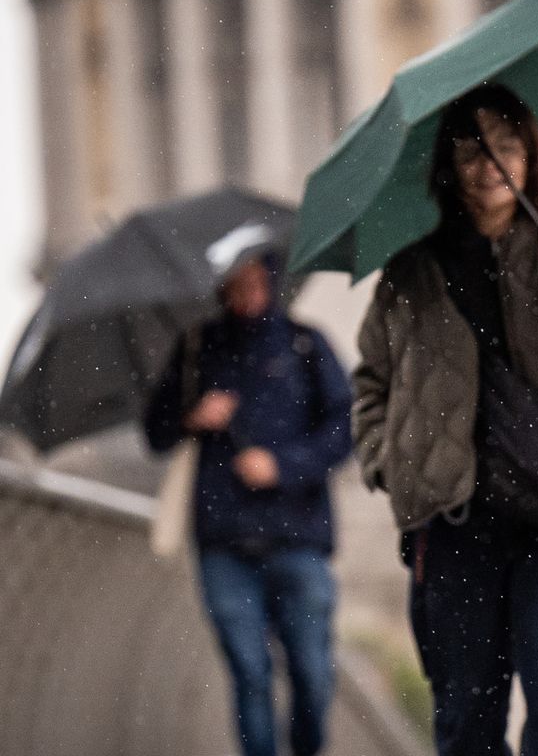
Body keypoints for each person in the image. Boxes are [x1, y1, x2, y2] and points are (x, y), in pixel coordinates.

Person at [351, 83, 538, 756]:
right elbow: (371, 380)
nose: (489, 163)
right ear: (449, 171)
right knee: (465, 713)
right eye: (470, 151)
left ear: (529, 161)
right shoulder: (411, 274)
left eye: (506, 145)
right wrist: (388, 459)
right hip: (457, 519)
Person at [143, 250, 352, 756]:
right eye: (237, 284)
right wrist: (193, 417)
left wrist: (283, 466)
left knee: (312, 672)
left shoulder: (307, 344)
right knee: (248, 671)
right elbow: (155, 431)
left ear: (274, 282)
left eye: (257, 282)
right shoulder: (197, 348)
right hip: (223, 539)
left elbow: (345, 429)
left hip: (298, 535)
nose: (247, 294)